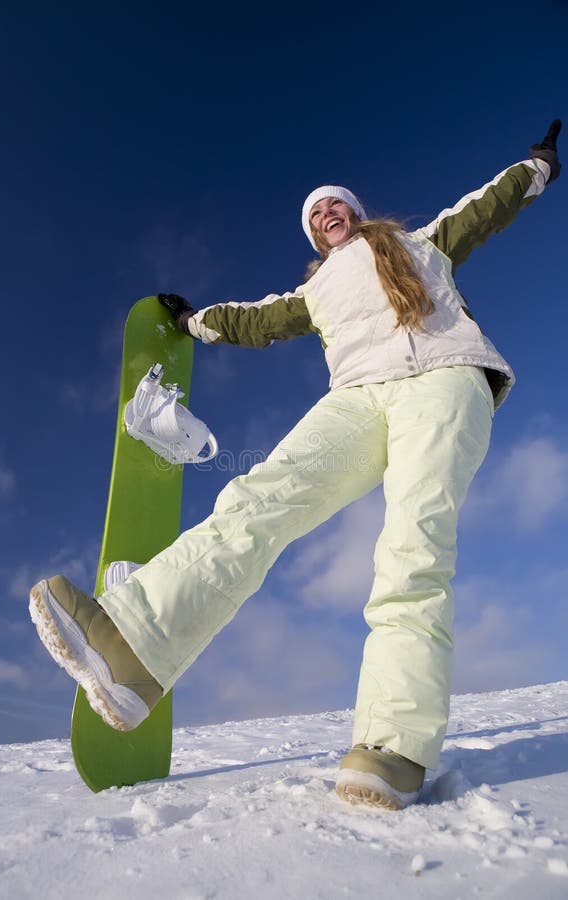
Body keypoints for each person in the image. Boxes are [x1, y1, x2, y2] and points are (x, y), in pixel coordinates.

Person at [29, 121, 561, 810]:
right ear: (314, 237)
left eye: (334, 203)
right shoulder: (315, 291)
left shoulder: (419, 243)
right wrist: (193, 323)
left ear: (355, 212)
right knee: (259, 500)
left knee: (414, 545)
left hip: (445, 378)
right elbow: (256, 320)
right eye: (314, 214)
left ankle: (392, 747)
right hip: (358, 396)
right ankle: (134, 650)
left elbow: (485, 206)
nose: (325, 212)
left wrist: (536, 168)